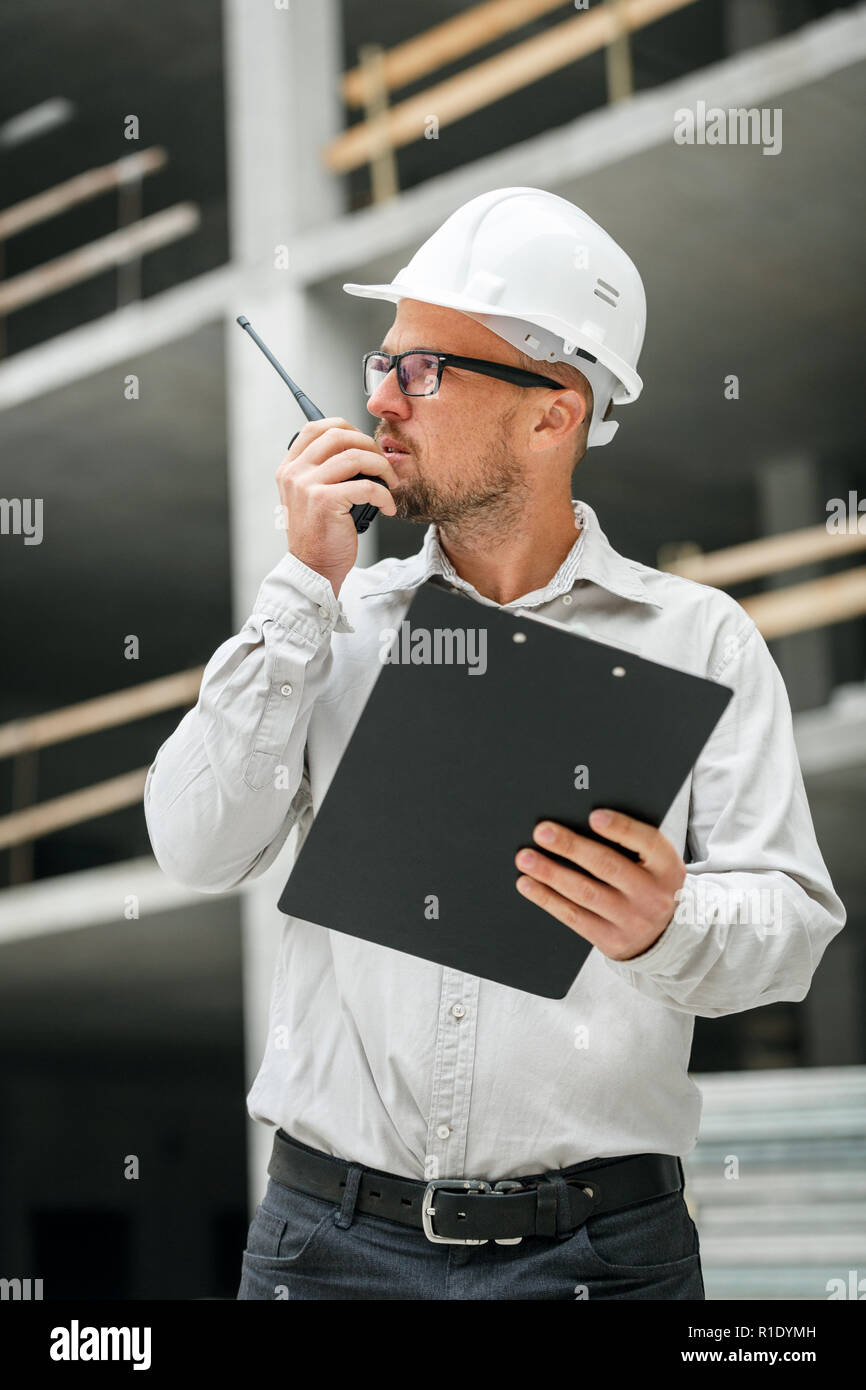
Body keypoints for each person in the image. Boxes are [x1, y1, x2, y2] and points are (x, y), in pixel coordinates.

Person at [144, 188, 846, 1301]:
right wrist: (300, 587)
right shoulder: (334, 623)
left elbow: (792, 930)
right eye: (382, 362)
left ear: (551, 412)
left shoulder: (695, 638)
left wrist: (668, 922)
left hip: (598, 1259)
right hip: (328, 1250)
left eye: (421, 369)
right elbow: (192, 845)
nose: (378, 397)